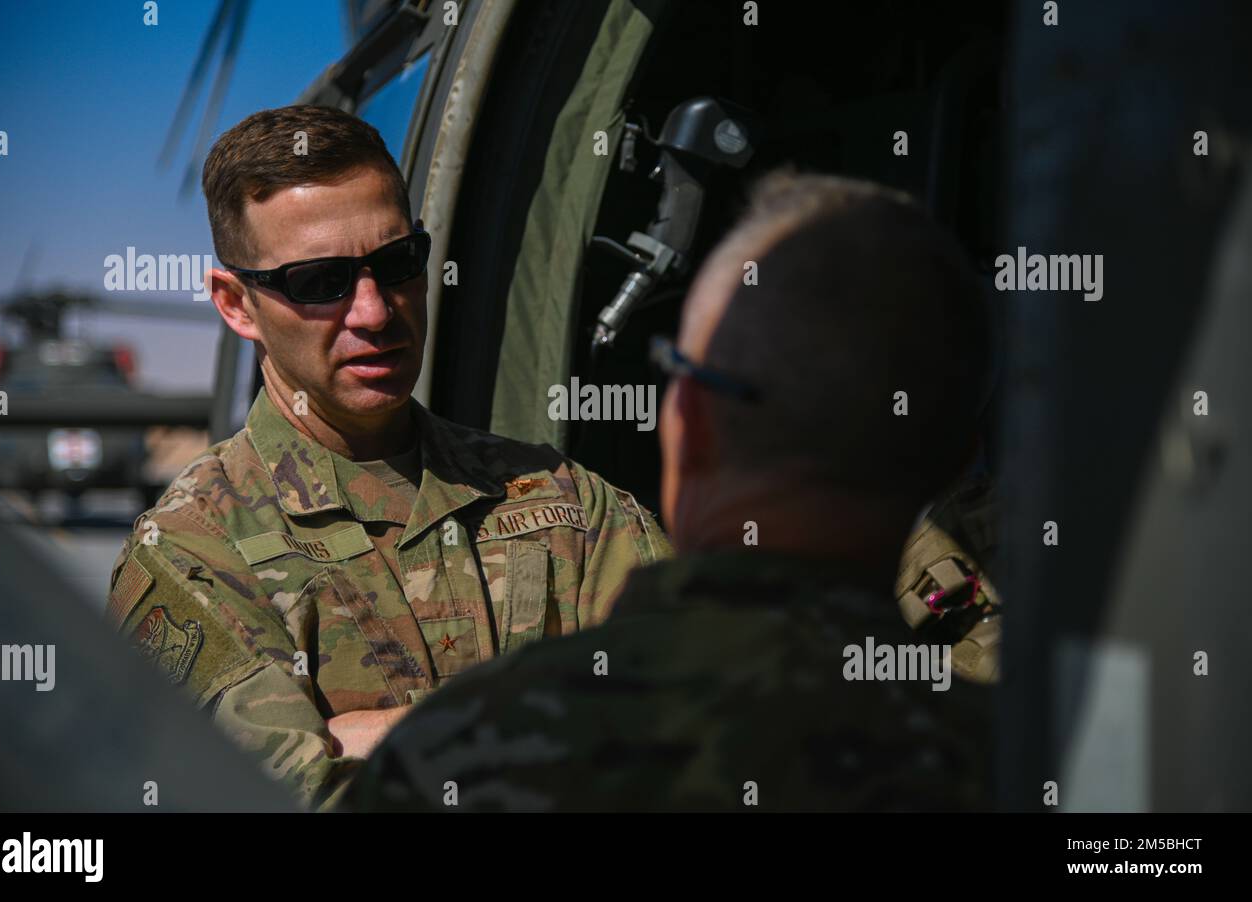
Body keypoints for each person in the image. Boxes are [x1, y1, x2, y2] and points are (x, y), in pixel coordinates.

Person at [345, 171, 995, 811]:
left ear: (689, 420)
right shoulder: (1037, 764)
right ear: (954, 461)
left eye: (677, 372)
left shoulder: (460, 756)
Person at [106, 105, 670, 809]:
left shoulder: (564, 504)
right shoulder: (196, 550)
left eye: (396, 264)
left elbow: (708, 725)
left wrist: (378, 737)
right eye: (320, 282)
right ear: (237, 304)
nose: (374, 312)